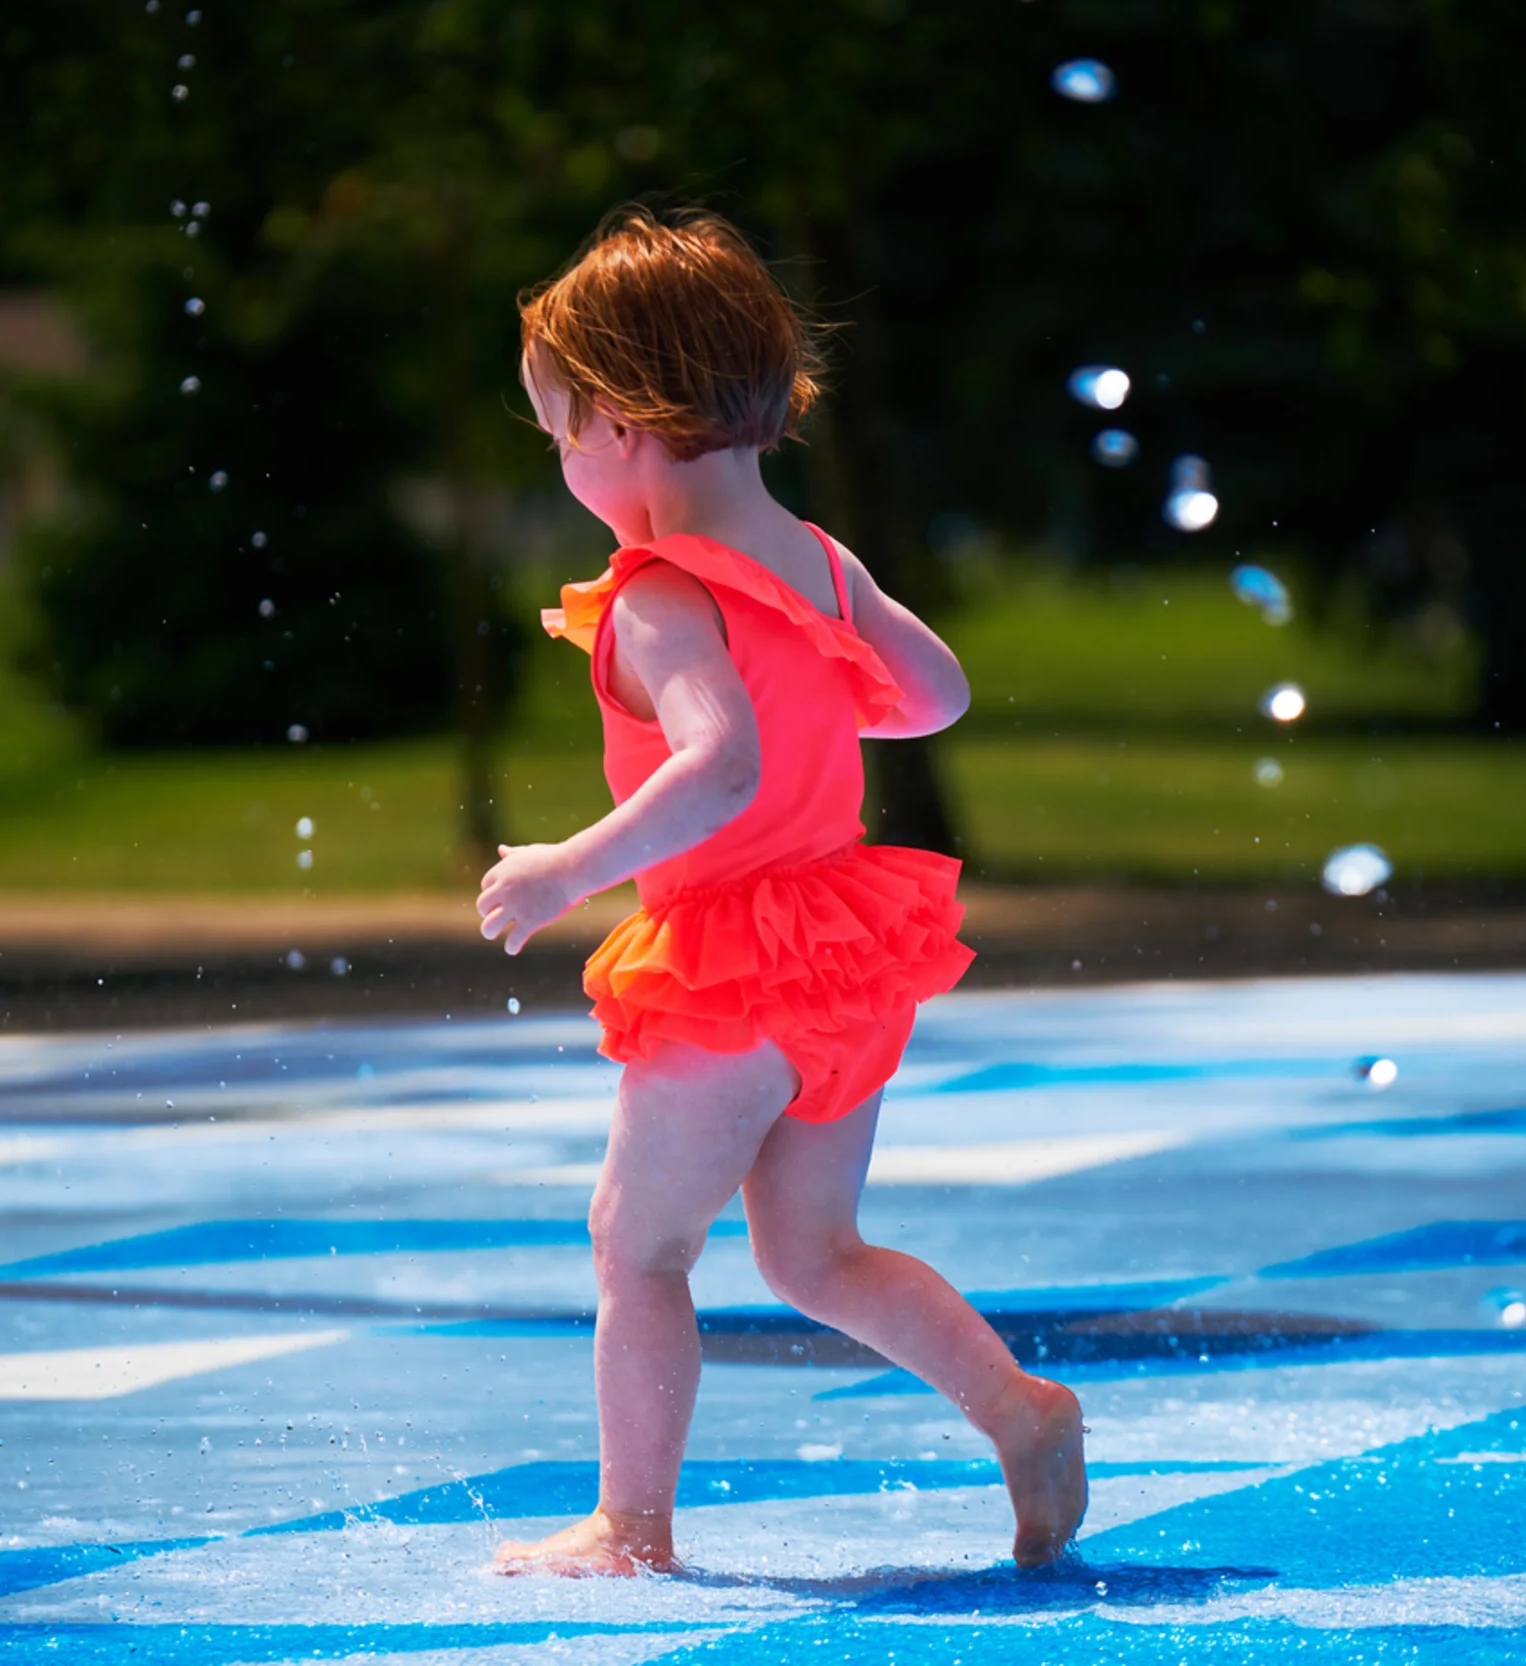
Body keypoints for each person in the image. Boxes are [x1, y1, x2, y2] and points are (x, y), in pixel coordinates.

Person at [477, 204, 1086, 1576]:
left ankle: (630, 1525)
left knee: (638, 1246)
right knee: (814, 1254)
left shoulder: (658, 590)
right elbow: (937, 694)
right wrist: (825, 694)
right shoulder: (814, 556)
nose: (565, 460)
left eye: (561, 432)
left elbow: (722, 766)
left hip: (732, 966)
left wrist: (571, 866)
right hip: (850, 951)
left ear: (620, 424)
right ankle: (1020, 1406)